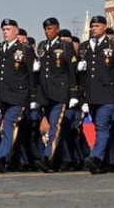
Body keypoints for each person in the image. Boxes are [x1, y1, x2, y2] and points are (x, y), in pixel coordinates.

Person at [78, 15, 114, 174]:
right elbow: (82, 76)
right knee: (107, 130)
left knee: (102, 127)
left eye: (97, 26)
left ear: (105, 27)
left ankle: (96, 157)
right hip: (92, 95)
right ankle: (111, 161)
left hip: (109, 95)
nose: (94, 28)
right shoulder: (85, 47)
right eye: (92, 26)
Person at [0, 18, 37, 172]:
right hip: (3, 95)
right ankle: (15, 160)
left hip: (18, 94)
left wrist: (33, 98)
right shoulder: (1, 49)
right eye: (3, 29)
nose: (5, 32)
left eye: (8, 29)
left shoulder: (24, 49)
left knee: (9, 124)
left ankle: (2, 157)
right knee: (7, 128)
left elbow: (31, 75)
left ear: (16, 31)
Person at [33, 18, 78, 172]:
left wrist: (73, 94)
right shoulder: (43, 46)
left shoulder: (65, 46)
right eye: (46, 29)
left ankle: (47, 158)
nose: (47, 32)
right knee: (54, 128)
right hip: (45, 94)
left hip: (60, 93)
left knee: (55, 128)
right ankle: (63, 159)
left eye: (50, 29)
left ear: (57, 29)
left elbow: (71, 72)